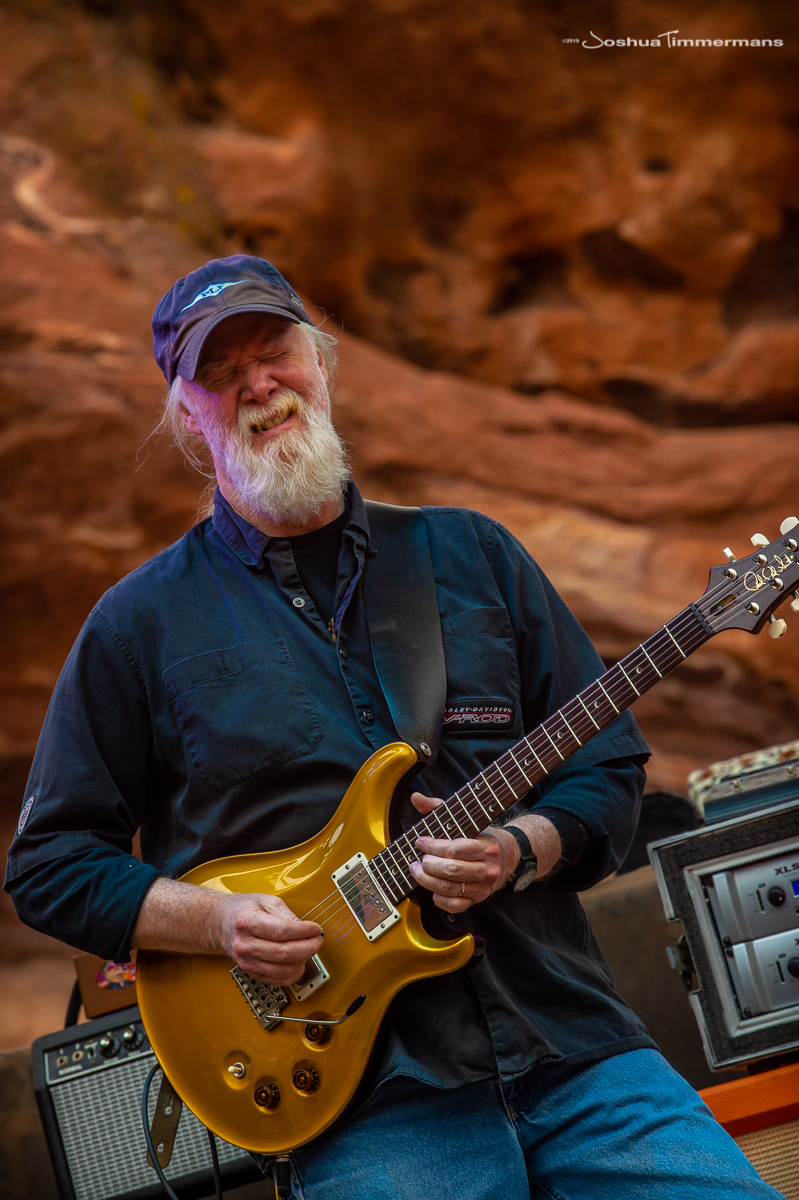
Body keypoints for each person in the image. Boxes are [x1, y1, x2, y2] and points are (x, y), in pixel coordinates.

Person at [5, 256, 782, 1199]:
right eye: (220, 371)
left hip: (572, 1048)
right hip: (363, 1099)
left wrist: (521, 847)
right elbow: (48, 863)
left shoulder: (470, 553)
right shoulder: (138, 626)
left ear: (321, 361)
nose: (258, 383)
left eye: (276, 350)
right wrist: (213, 921)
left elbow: (606, 768)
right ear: (185, 416)